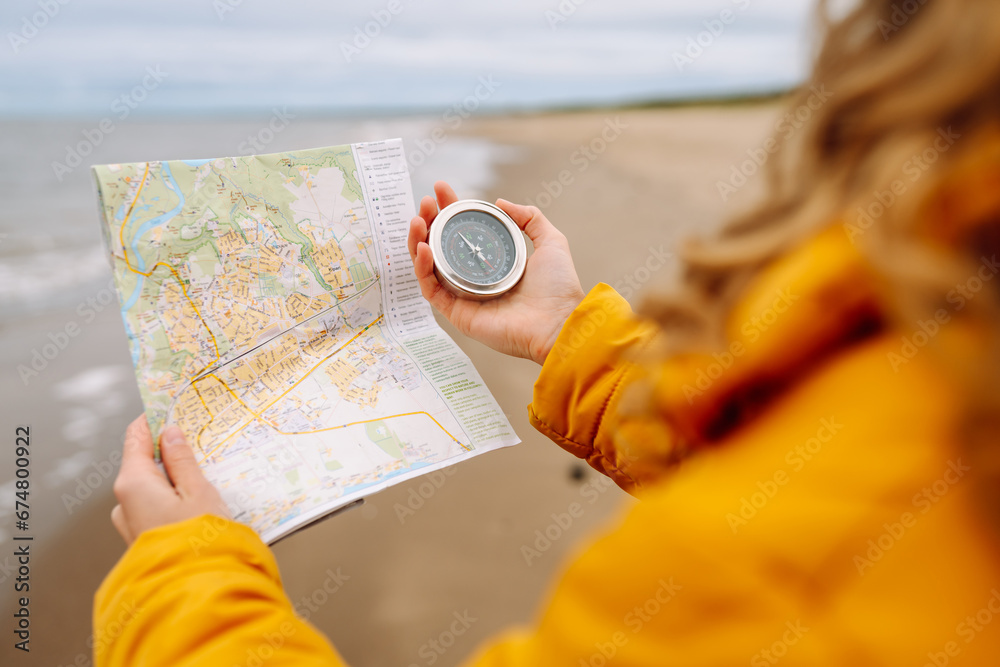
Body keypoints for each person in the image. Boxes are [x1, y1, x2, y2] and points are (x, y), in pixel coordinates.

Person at [95, 0, 1000, 664]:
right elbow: (810, 458)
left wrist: (181, 572)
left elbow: (808, 501)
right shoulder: (945, 369)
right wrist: (569, 332)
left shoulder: (795, 567)